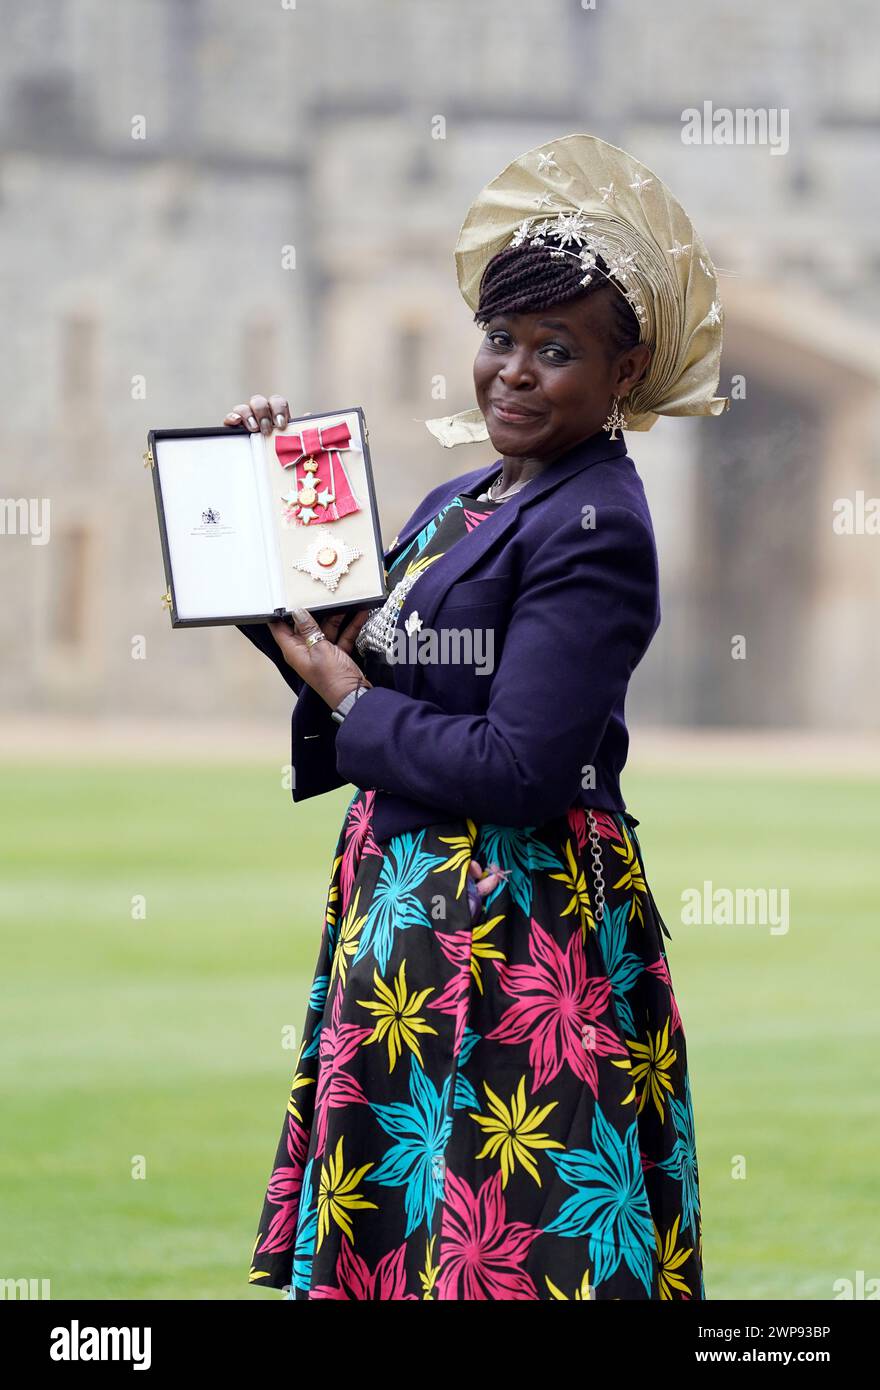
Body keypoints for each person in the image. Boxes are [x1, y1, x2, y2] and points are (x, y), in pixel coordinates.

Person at [227, 133, 728, 1301]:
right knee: (405, 1243)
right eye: (500, 340)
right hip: (409, 910)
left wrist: (354, 701)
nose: (512, 371)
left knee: (504, 1250)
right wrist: (261, 504)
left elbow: (519, 765)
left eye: (555, 351)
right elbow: (352, 657)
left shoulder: (597, 525)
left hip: (516, 935)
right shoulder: (470, 494)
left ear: (624, 370)